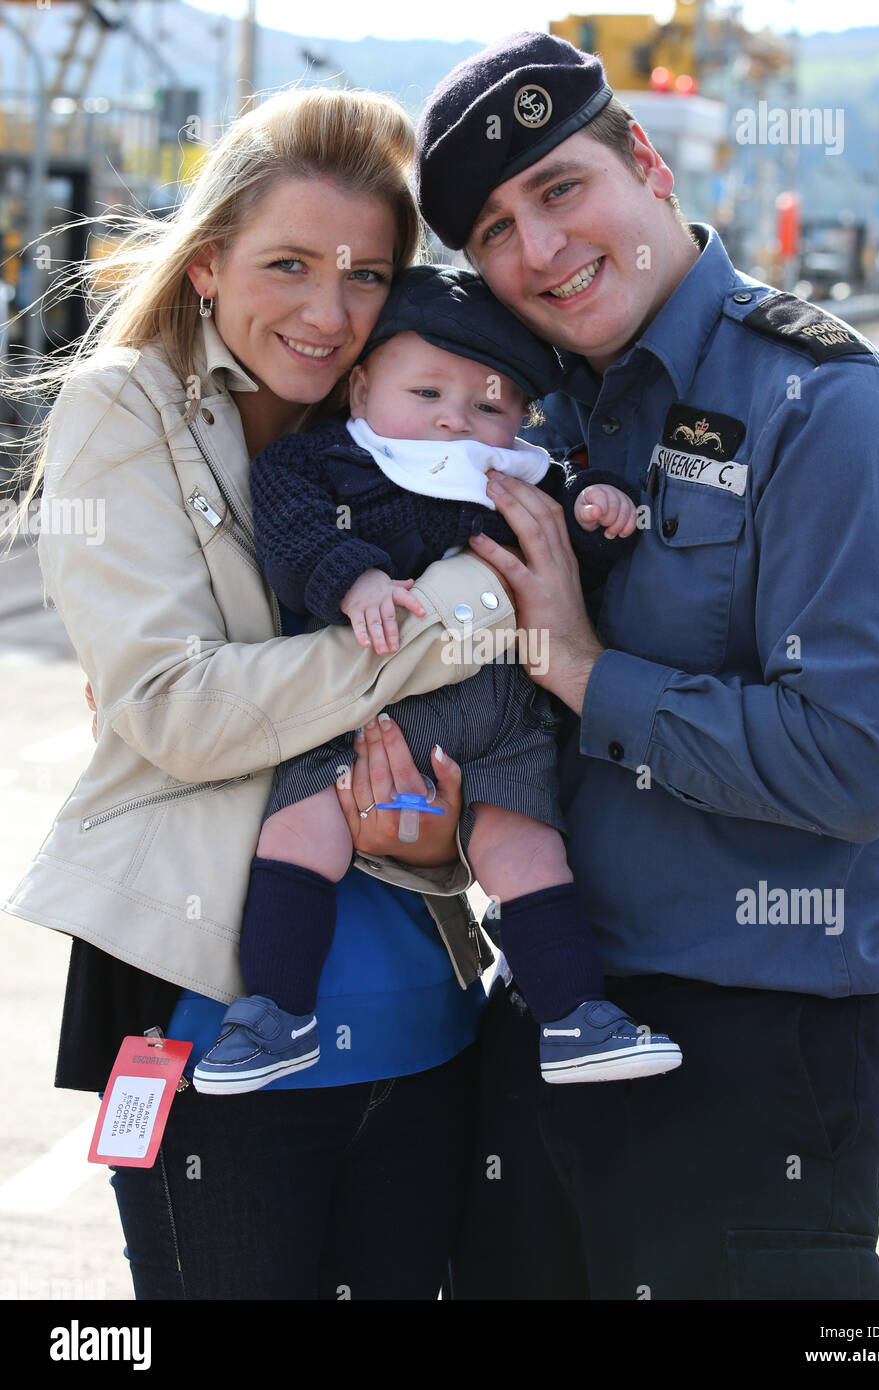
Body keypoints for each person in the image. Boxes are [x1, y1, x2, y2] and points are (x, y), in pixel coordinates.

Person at [413, 32, 879, 1299]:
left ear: (645, 164)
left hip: (744, 1063)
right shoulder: (538, 422)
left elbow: (854, 763)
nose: (539, 250)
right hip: (543, 1023)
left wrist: (581, 668)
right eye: (495, 229)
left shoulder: (826, 408)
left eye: (560, 190)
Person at [2, 87, 522, 1300]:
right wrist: (462, 618)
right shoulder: (125, 407)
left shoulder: (428, 415)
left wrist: (451, 821)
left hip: (428, 1016)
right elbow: (174, 710)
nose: (327, 312)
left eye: (366, 275)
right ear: (206, 264)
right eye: (287, 263)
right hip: (208, 1032)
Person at [191, 263, 681, 1094]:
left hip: (495, 713)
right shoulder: (323, 464)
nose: (456, 418)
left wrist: (602, 513)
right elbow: (287, 525)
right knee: (298, 829)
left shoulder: (515, 476)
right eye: (426, 393)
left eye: (489, 404)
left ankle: (573, 1017)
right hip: (358, 707)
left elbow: (566, 536)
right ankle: (275, 1010)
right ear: (359, 391)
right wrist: (351, 578)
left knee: (526, 849)